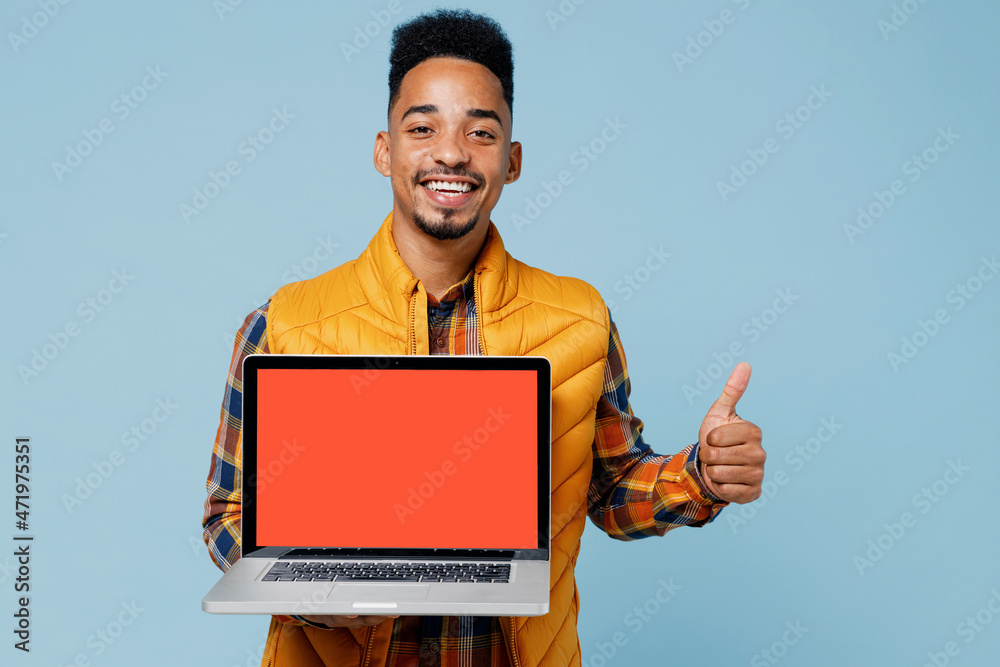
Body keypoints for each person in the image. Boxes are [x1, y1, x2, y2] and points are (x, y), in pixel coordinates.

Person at [202, 9, 765, 666]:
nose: (450, 152)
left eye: (480, 131)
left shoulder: (579, 319)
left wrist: (703, 473)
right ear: (385, 149)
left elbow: (612, 490)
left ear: (512, 160)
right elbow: (229, 514)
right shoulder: (285, 323)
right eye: (422, 127)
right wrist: (316, 589)